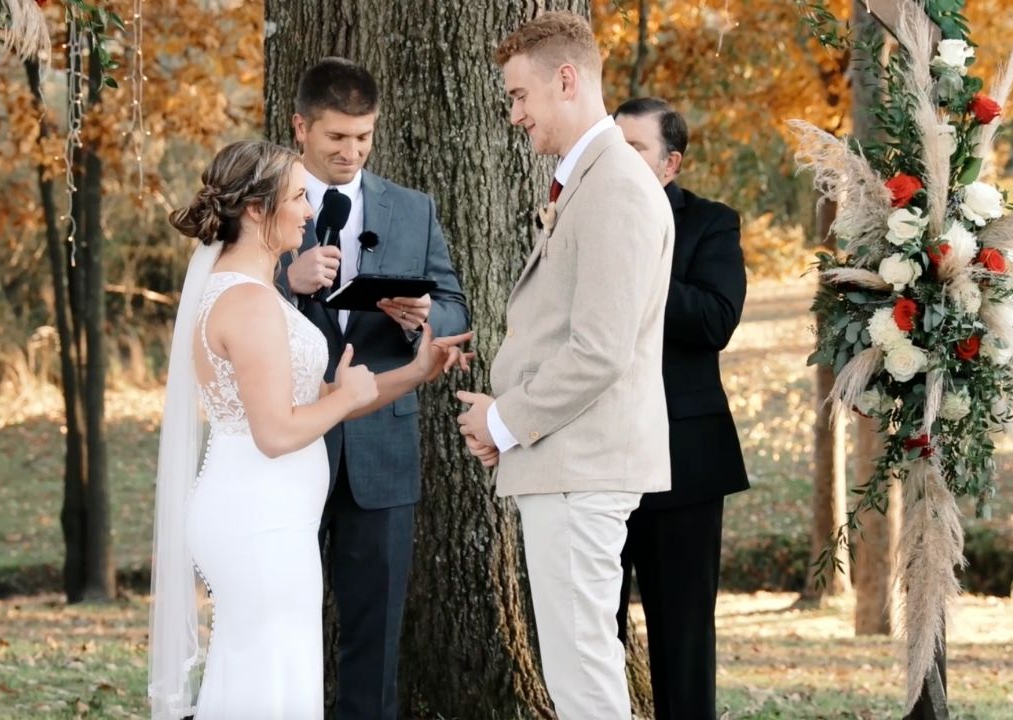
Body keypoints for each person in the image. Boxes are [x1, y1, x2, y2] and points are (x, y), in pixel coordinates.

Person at [147, 140, 471, 719]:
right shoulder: (247, 303)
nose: (306, 209)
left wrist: (417, 370)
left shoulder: (253, 295)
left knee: (267, 678)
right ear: (255, 210)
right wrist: (341, 396)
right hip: (258, 524)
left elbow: (319, 401)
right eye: (297, 196)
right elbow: (276, 432)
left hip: (272, 521)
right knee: (270, 685)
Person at [455, 13, 675, 719]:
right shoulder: (588, 179)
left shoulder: (614, 186)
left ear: (568, 80)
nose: (515, 114)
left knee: (583, 676)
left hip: (585, 469)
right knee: (579, 667)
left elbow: (601, 348)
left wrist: (506, 418)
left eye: (520, 95)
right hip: (570, 463)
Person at [277, 57, 471, 720]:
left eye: (364, 138)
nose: (352, 152)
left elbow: (455, 304)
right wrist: (288, 282)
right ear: (300, 126)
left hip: (380, 452)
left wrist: (427, 318)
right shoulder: (260, 202)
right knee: (280, 628)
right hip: (285, 444)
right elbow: (224, 301)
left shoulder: (412, 210)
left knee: (375, 638)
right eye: (336, 138)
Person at [612, 97, 750, 720]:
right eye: (615, 145)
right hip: (596, 454)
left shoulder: (713, 224)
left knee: (683, 635)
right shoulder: (582, 219)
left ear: (671, 163)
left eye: (634, 148)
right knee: (593, 629)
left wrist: (637, 269)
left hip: (684, 460)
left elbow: (716, 320)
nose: (620, 159)